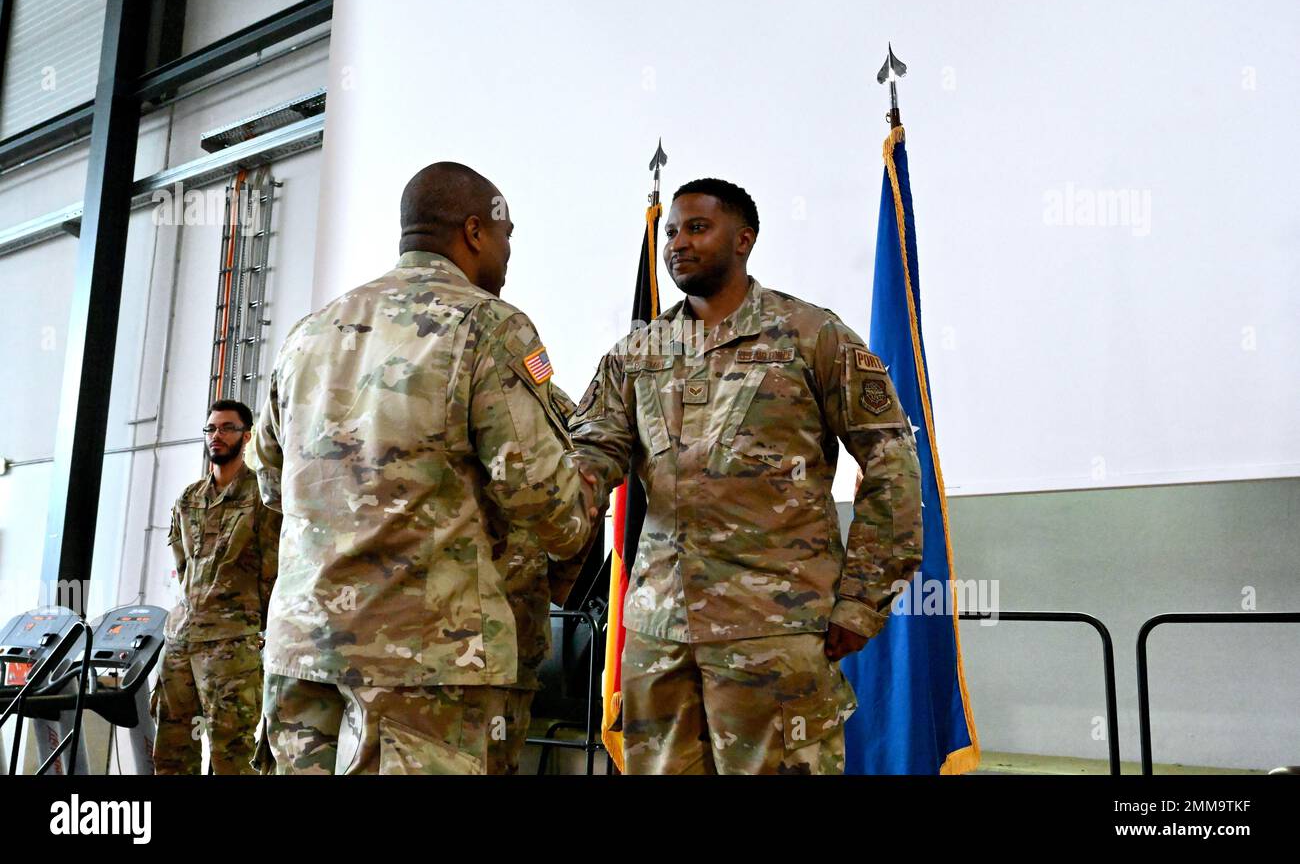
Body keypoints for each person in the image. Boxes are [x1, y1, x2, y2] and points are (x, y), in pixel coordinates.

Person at [247, 161, 597, 774]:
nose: (509, 253)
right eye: (507, 234)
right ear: (474, 231)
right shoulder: (488, 325)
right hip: (423, 666)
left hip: (302, 655)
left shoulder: (308, 334)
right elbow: (550, 508)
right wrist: (590, 483)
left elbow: (272, 485)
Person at [570, 177, 923, 774]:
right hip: (659, 633)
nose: (678, 243)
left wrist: (861, 601)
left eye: (698, 228)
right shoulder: (637, 353)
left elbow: (893, 465)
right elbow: (588, 460)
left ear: (744, 240)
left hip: (773, 631)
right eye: (672, 231)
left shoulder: (812, 336)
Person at [153, 398, 279, 774]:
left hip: (231, 643)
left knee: (231, 753)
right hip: (180, 640)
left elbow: (274, 569)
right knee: (172, 750)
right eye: (211, 429)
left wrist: (258, 625)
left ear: (246, 436)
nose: (217, 436)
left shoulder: (263, 497)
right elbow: (182, 562)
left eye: (227, 428)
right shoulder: (189, 498)